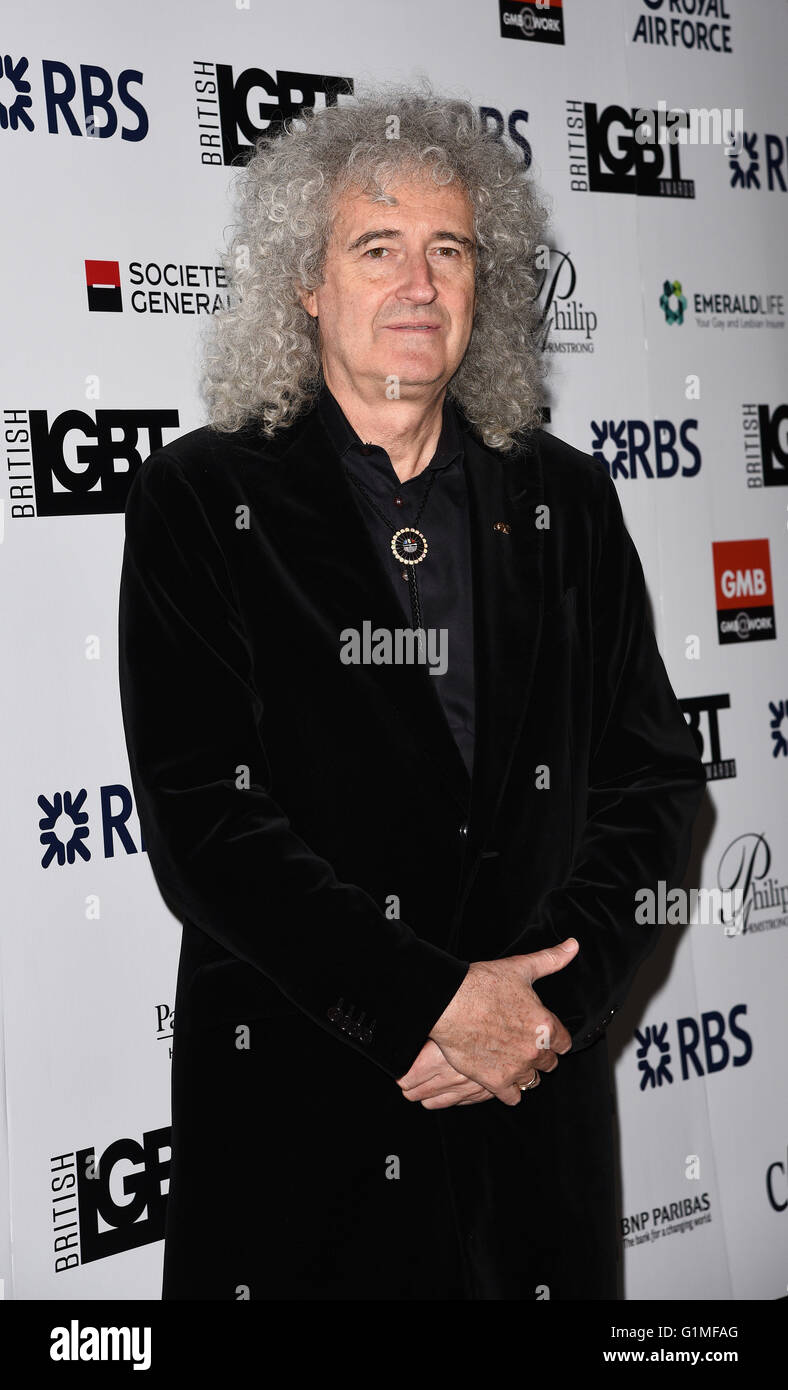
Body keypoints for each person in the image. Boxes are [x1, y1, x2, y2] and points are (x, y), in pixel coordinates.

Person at [117, 84, 706, 1300]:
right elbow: (206, 824)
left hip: (529, 1149)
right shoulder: (201, 501)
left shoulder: (567, 500)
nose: (418, 283)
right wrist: (431, 1003)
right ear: (306, 282)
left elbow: (650, 785)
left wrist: (547, 1012)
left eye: (448, 249)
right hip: (306, 1148)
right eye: (375, 247)